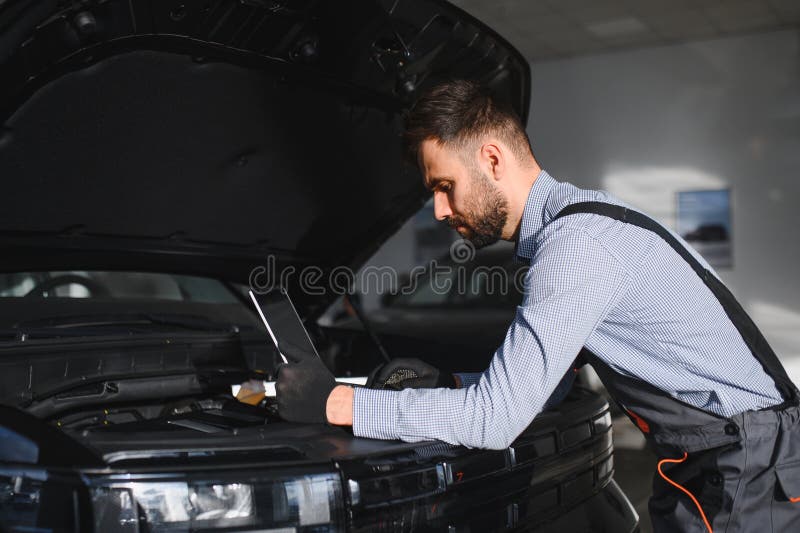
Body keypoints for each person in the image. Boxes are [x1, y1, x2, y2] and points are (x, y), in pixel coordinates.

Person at [275, 79, 800, 531]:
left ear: (493, 159)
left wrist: (338, 404)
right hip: (714, 454)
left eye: (444, 186)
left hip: (745, 465)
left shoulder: (577, 248)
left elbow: (495, 420)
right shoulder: (577, 228)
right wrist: (449, 384)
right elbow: (549, 386)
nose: (438, 210)